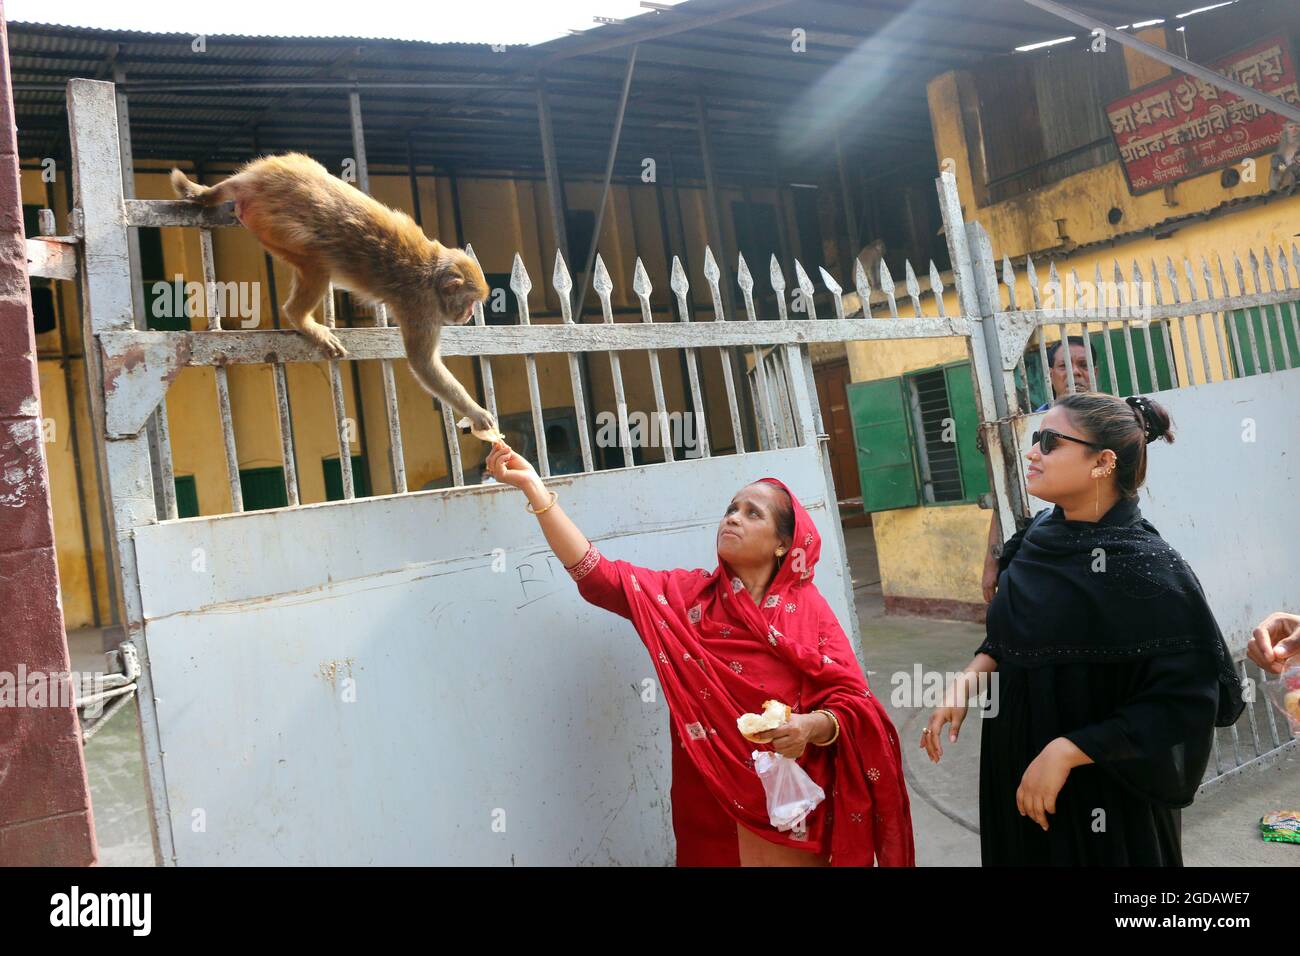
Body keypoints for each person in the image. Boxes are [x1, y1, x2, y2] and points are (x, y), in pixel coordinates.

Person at [485, 442, 914, 867]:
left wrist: (810, 727)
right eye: (732, 508)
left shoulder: (809, 610)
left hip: (791, 803)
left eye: (752, 513)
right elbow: (597, 577)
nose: (732, 517)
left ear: (784, 544)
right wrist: (535, 490)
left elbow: (854, 704)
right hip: (710, 800)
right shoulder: (686, 597)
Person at [923, 392, 1245, 865]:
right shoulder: (1038, 539)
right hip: (1017, 760)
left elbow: (1186, 700)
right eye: (1037, 439)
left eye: (1050, 442)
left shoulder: (1147, 569)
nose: (1032, 452)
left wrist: (1068, 751)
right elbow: (1018, 633)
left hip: (1105, 786)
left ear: (1103, 462)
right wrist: (972, 675)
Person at [982, 336, 1100, 603]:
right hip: (1047, 547)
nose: (1075, 373)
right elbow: (1008, 494)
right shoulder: (1030, 428)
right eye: (1064, 366)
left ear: (1094, 372)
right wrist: (991, 564)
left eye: (1083, 364)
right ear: (1050, 375)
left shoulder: (1114, 421)